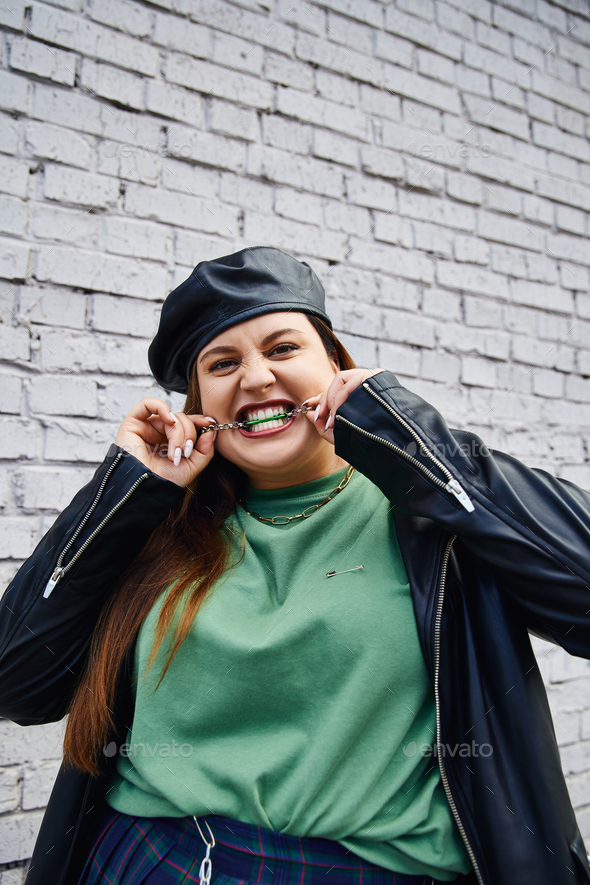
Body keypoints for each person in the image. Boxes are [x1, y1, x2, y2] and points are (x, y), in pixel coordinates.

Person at [0, 246, 589, 885]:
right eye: (223, 363)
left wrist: (416, 443)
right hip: (142, 859)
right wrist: (121, 496)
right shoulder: (157, 526)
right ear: (199, 402)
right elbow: (17, 684)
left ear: (336, 366)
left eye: (283, 349)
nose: (255, 380)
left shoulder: (438, 516)